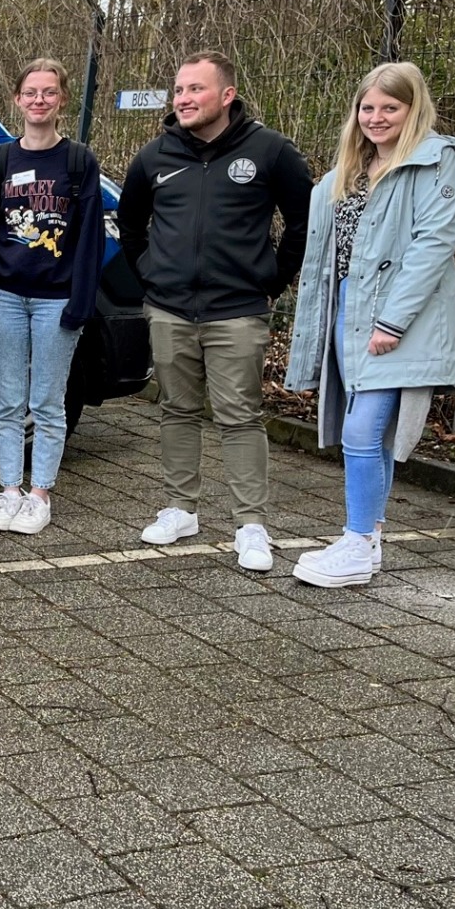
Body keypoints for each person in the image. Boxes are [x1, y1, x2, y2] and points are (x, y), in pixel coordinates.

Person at [118, 51, 310, 572]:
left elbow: (301, 223)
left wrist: (271, 279)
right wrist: (152, 277)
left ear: (226, 95)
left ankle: (251, 525)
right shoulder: (154, 157)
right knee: (177, 410)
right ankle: (181, 509)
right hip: (170, 311)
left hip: (237, 312)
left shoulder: (270, 152)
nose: (183, 99)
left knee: (239, 417)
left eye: (195, 90)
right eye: (179, 90)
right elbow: (130, 224)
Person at [285, 63, 455, 586]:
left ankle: (358, 541)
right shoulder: (348, 170)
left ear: (413, 109)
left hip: (394, 320)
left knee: (363, 431)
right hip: (346, 311)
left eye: (390, 107)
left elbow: (433, 246)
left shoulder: (433, 163)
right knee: (368, 435)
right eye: (368, 107)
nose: (376, 117)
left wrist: (393, 320)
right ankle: (369, 538)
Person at [0, 59, 104, 534]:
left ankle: (40, 492)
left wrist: (81, 301)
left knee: (47, 402)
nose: (39, 100)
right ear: (17, 99)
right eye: (31, 92)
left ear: (62, 100)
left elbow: (90, 238)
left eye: (49, 92)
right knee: (7, 401)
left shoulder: (78, 161)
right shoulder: (1, 161)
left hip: (56, 300)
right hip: (4, 295)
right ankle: (9, 491)